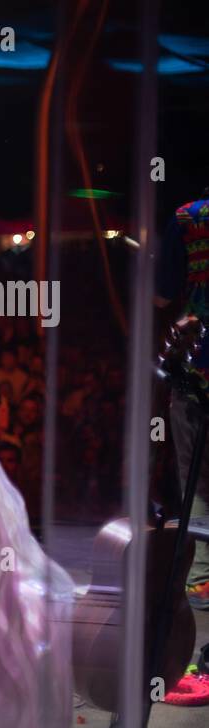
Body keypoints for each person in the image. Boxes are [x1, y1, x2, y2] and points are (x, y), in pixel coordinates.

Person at [157, 189, 209, 609]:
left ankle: (203, 577)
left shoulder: (187, 219)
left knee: (196, 472)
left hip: (197, 361)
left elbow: (161, 294)